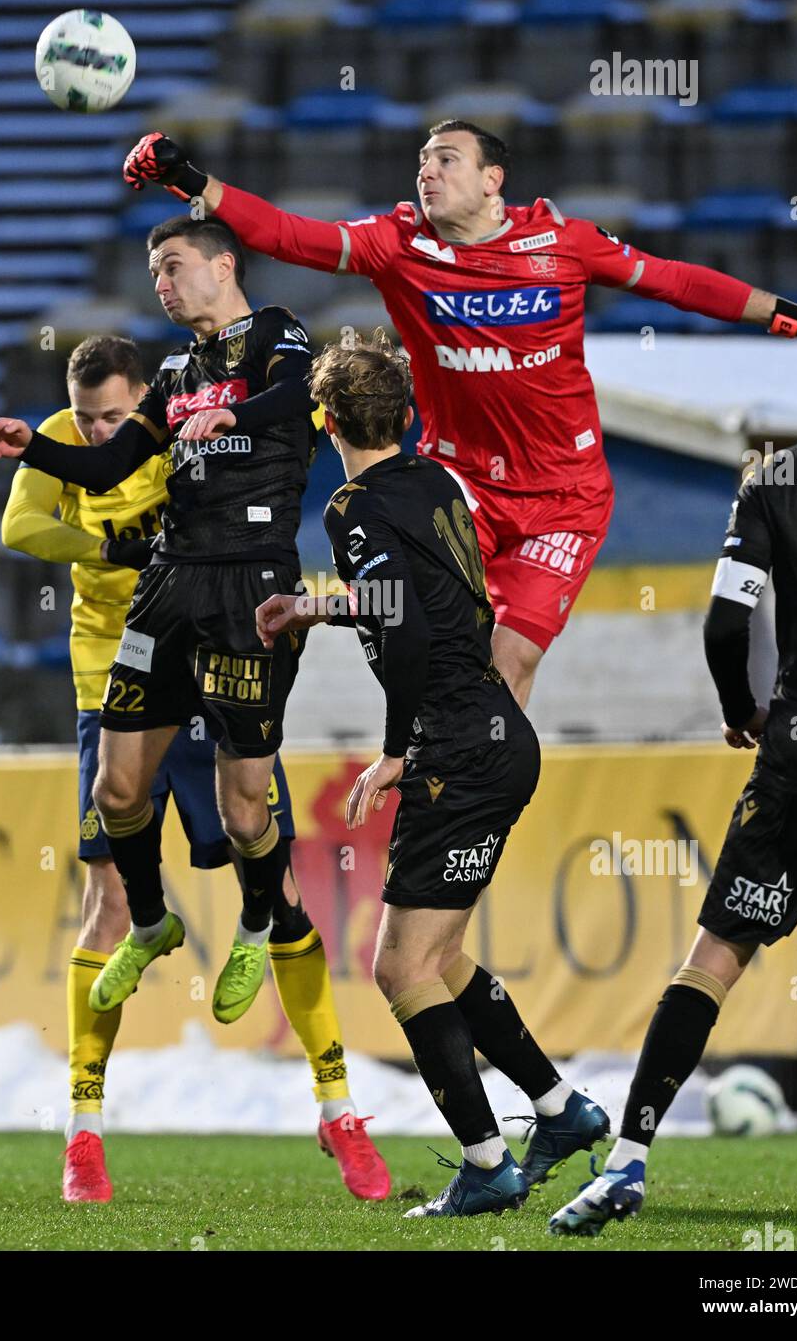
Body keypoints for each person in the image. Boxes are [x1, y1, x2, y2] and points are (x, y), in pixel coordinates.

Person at [124, 120, 797, 708]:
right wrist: (191, 181)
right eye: (420, 163)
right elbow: (289, 235)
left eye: (446, 159)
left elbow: (677, 282)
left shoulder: (560, 242)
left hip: (564, 498)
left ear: (493, 179)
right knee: (419, 628)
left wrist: (794, 320)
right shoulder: (398, 244)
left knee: (507, 666)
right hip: (459, 482)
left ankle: (474, 809)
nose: (426, 173)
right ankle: (410, 750)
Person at [0, 227, 389, 1201]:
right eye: (153, 271)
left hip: (251, 589)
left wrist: (234, 422)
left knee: (251, 818)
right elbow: (108, 461)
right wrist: (30, 444)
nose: (162, 282)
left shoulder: (281, 340)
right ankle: (157, 925)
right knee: (115, 787)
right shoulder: (172, 373)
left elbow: (299, 402)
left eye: (175, 266)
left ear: (224, 266)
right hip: (168, 586)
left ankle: (328, 1085)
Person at [549, 285, 797, 1239]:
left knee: (712, 961)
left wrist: (742, 714)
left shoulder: (774, 478)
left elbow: (724, 624)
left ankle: (625, 1162)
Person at [256, 332, 609, 1218]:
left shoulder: (349, 507)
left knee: (400, 966)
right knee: (441, 959)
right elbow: (424, 599)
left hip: (456, 745)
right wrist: (315, 606)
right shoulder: (437, 482)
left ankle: (487, 1164)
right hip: (495, 731)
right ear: (407, 416)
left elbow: (408, 629)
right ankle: (562, 1112)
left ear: (325, 419)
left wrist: (397, 747)